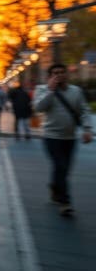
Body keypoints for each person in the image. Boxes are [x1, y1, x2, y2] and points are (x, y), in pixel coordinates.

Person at [33, 63, 93, 216]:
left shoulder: (76, 91)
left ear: (67, 74)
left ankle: (54, 187)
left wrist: (87, 129)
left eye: (61, 72)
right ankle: (65, 202)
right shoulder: (42, 89)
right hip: (51, 136)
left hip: (70, 137)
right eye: (55, 73)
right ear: (50, 76)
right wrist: (51, 91)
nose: (59, 75)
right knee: (60, 166)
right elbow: (39, 107)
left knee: (64, 168)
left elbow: (84, 111)